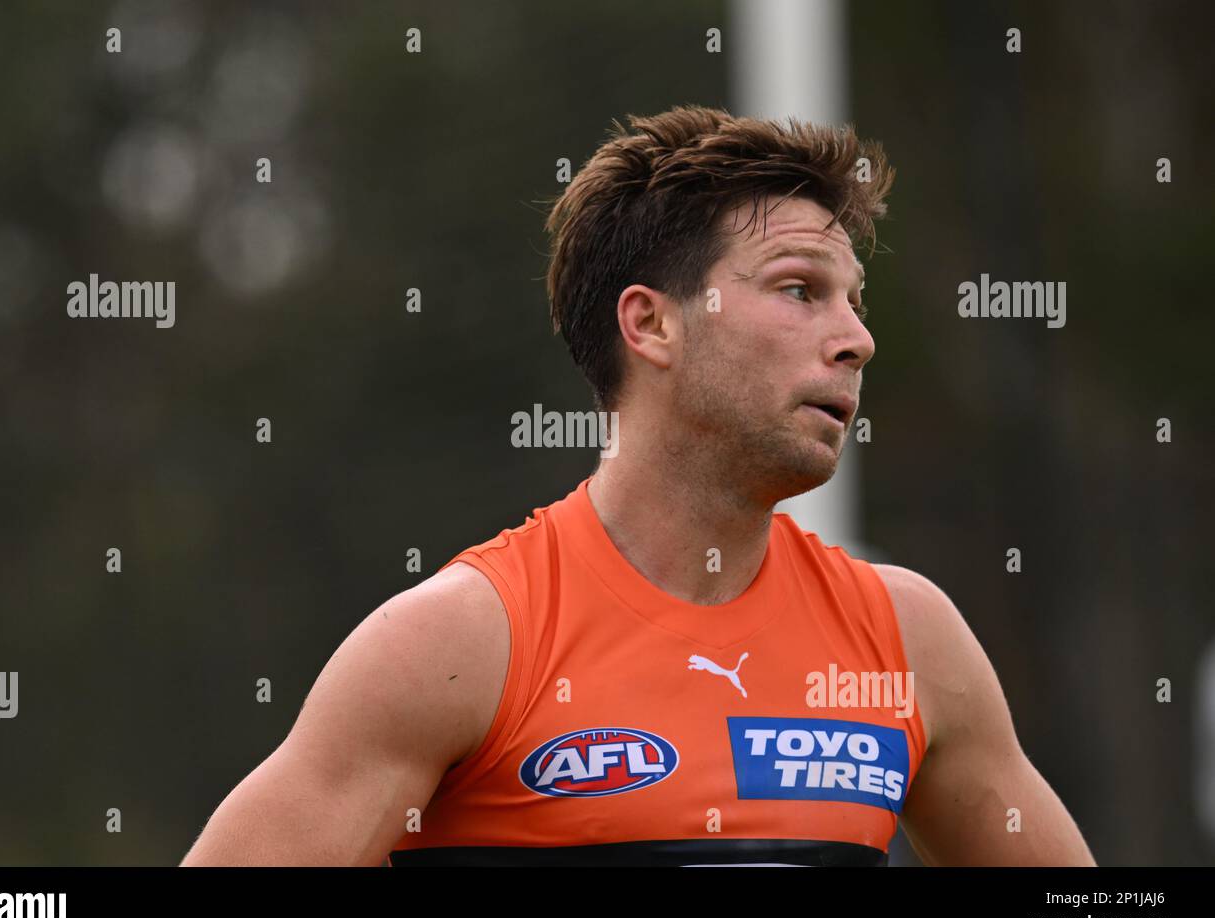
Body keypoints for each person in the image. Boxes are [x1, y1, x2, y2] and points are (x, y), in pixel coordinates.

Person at [181, 105, 1095, 866]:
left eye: (855, 299)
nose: (855, 338)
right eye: (800, 290)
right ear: (652, 325)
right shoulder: (458, 643)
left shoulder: (909, 640)